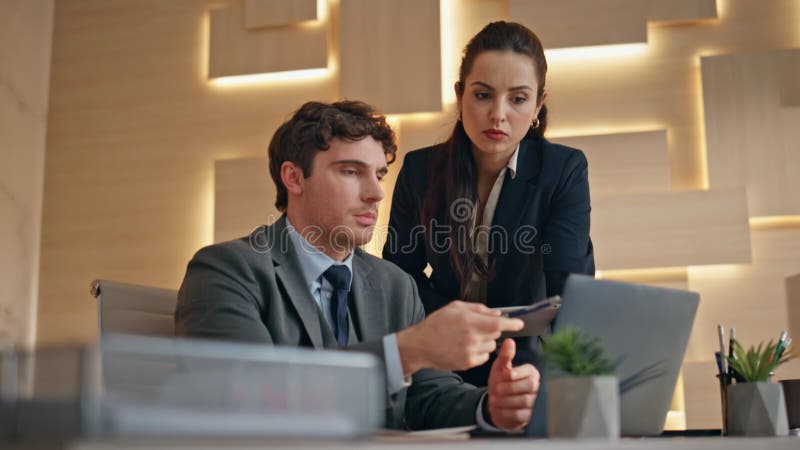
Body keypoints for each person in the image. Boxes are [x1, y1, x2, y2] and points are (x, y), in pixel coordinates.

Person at [175, 100, 541, 431]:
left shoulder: (395, 284)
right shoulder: (225, 271)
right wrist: (403, 351)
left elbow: (428, 397)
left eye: (379, 174)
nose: (376, 193)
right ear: (293, 177)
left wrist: (490, 405)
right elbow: (247, 392)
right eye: (351, 171)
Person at [382, 21, 595, 387]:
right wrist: (454, 322)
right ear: (460, 95)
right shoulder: (419, 170)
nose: (498, 114)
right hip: (438, 362)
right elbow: (400, 278)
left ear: (539, 104)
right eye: (483, 95)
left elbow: (570, 285)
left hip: (527, 363)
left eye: (517, 99)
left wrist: (573, 385)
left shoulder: (563, 169)